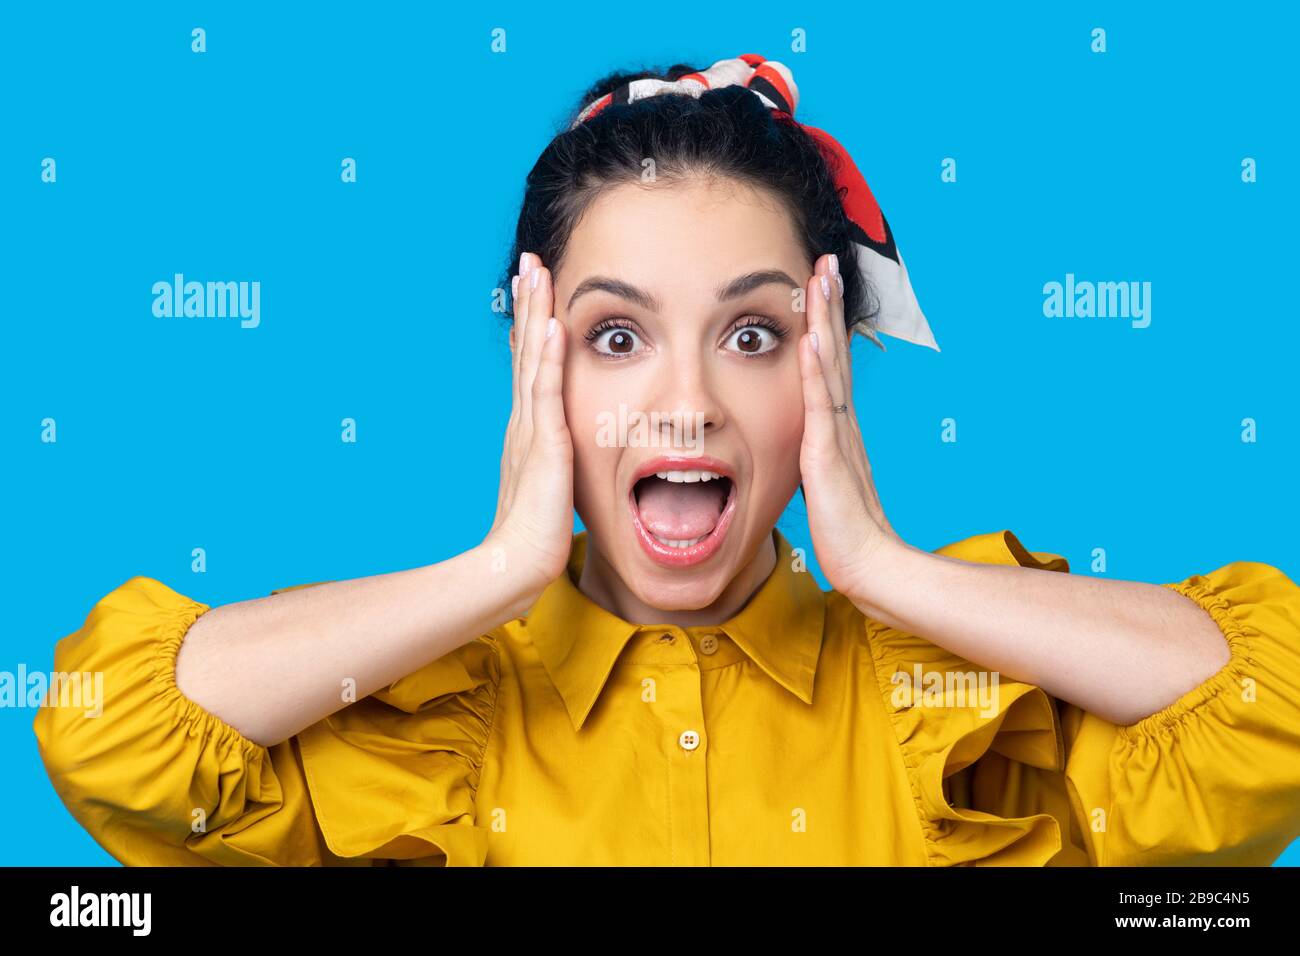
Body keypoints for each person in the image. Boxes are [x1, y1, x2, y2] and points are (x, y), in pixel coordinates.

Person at [33, 54, 1300, 866]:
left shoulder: (958, 711)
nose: (685, 404)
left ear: (826, 359)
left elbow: (1269, 717)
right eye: (617, 335)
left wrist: (884, 568)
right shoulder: (426, 713)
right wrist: (495, 570)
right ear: (542, 361)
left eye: (751, 334)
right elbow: (112, 738)